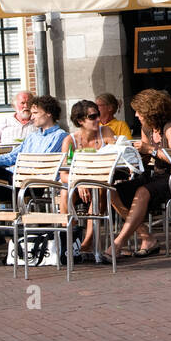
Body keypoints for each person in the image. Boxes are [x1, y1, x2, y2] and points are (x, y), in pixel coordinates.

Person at [0, 95, 68, 253]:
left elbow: (41, 165)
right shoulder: (32, 136)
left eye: (35, 113)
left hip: (32, 184)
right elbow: (11, 157)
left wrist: (17, 168)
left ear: (48, 113)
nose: (31, 116)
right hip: (15, 181)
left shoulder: (60, 136)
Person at [109, 89, 171, 259]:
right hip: (156, 176)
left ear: (150, 110)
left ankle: (119, 242)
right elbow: (145, 158)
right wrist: (131, 157)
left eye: (139, 111)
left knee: (142, 192)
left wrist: (150, 150)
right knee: (111, 192)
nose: (136, 115)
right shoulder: (147, 128)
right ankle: (146, 237)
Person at [60, 99, 118, 257]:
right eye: (92, 117)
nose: (98, 119)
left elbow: (114, 154)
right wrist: (79, 182)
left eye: (98, 115)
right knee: (65, 194)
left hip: (100, 181)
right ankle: (69, 242)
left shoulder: (104, 132)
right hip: (77, 184)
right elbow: (64, 174)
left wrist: (87, 180)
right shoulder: (70, 141)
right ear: (80, 121)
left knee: (99, 189)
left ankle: (86, 243)